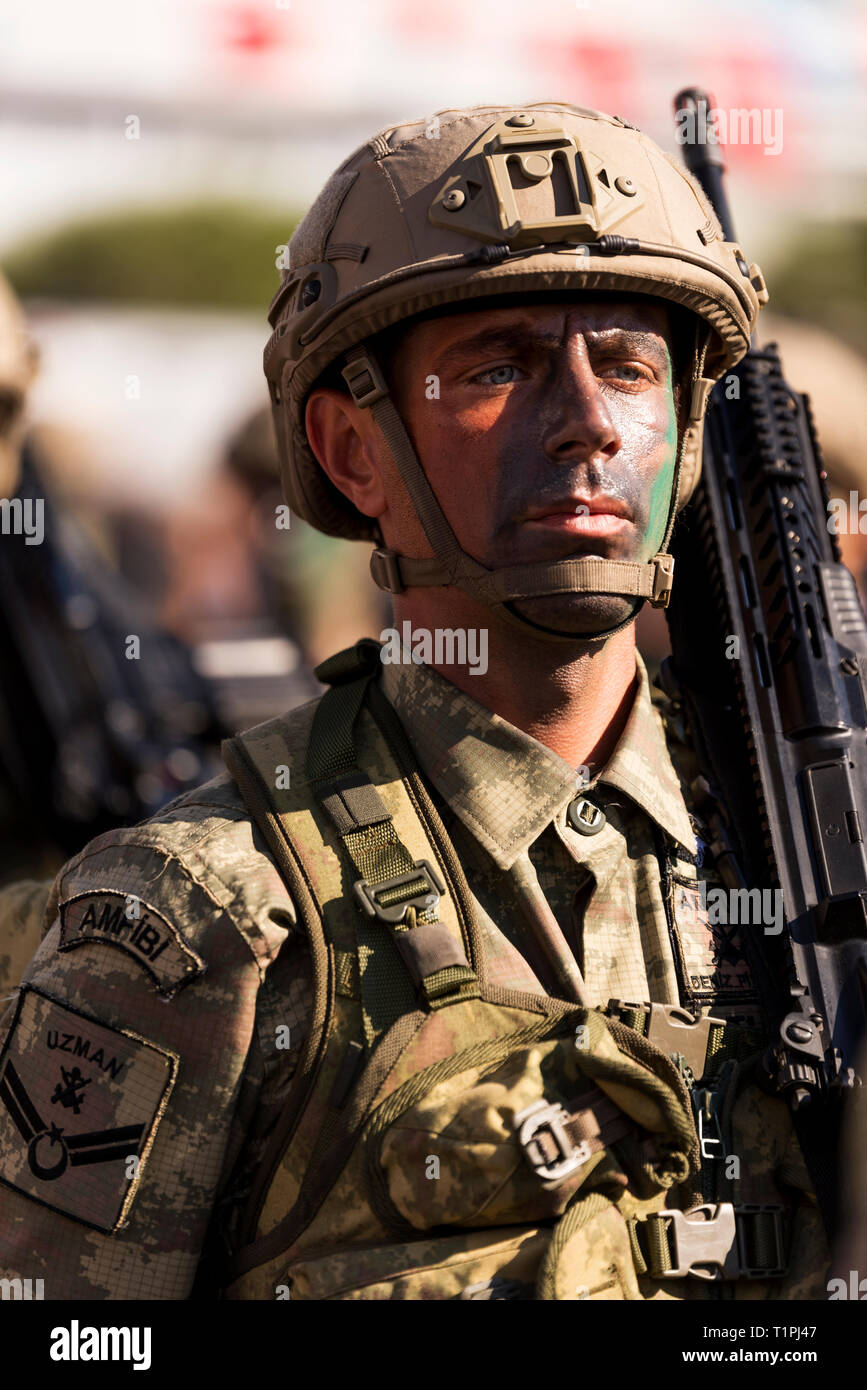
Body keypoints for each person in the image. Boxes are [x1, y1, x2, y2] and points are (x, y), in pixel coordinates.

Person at [0, 103, 828, 1300]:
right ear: (350, 452)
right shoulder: (208, 910)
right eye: (499, 366)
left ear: (688, 434)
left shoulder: (810, 863)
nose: (591, 422)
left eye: (633, 367)